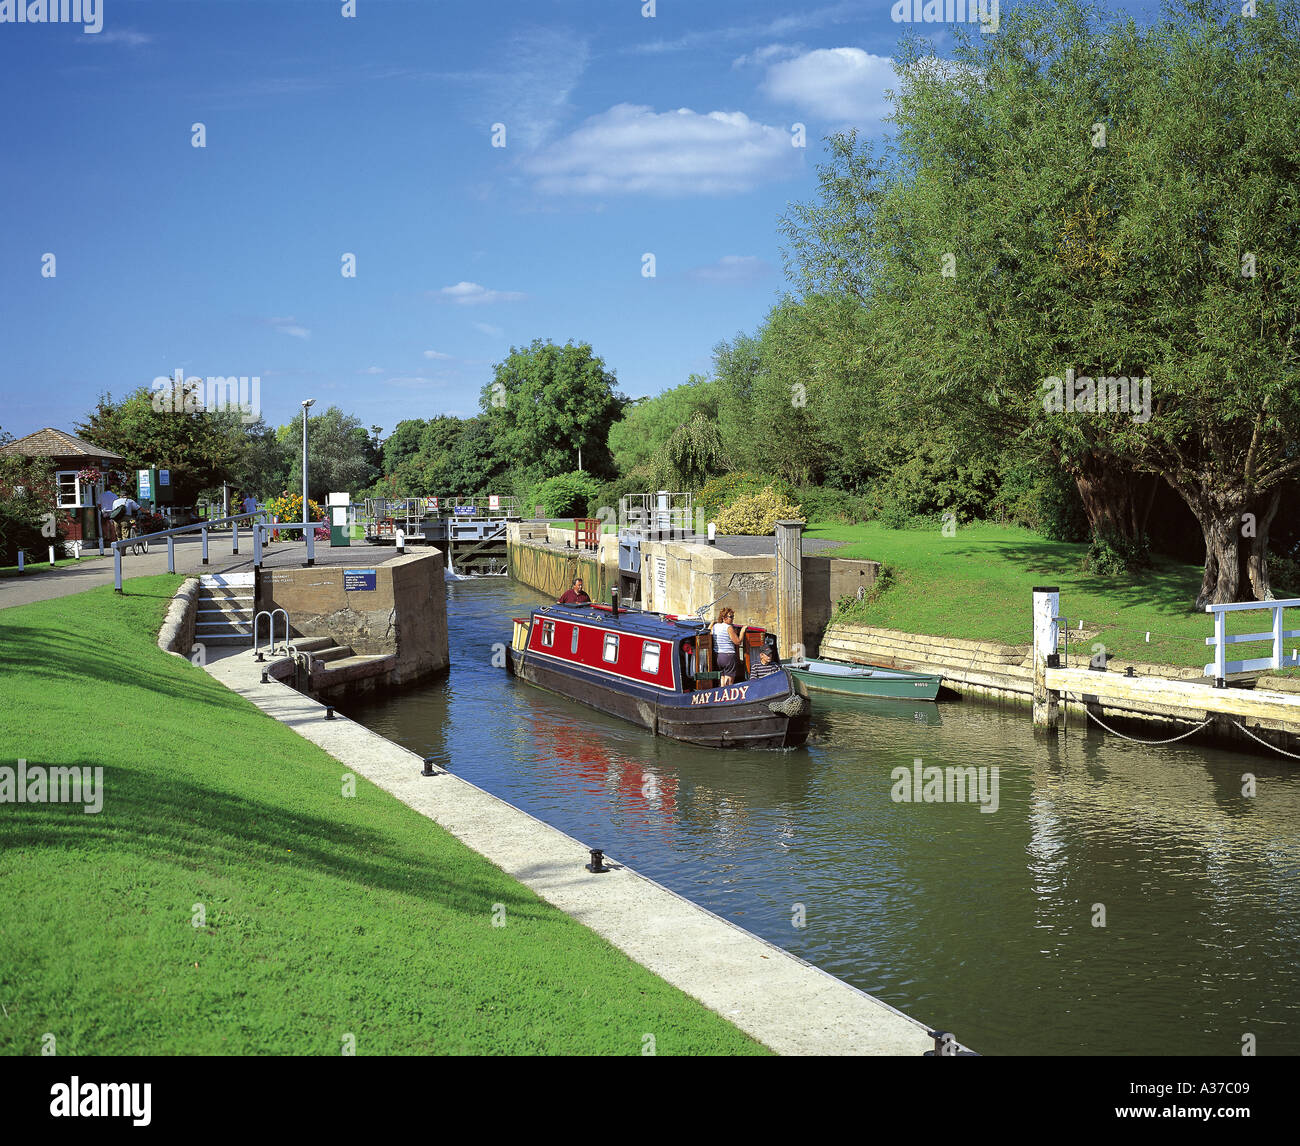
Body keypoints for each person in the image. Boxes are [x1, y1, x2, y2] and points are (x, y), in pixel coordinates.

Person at [712, 607, 748, 687]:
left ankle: (722, 697)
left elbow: (709, 632)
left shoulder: (715, 626)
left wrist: (712, 623)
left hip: (718, 657)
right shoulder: (728, 627)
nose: (732, 619)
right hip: (728, 657)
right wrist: (742, 631)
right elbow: (737, 642)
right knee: (729, 683)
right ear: (724, 618)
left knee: (722, 681)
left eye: (733, 617)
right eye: (731, 617)